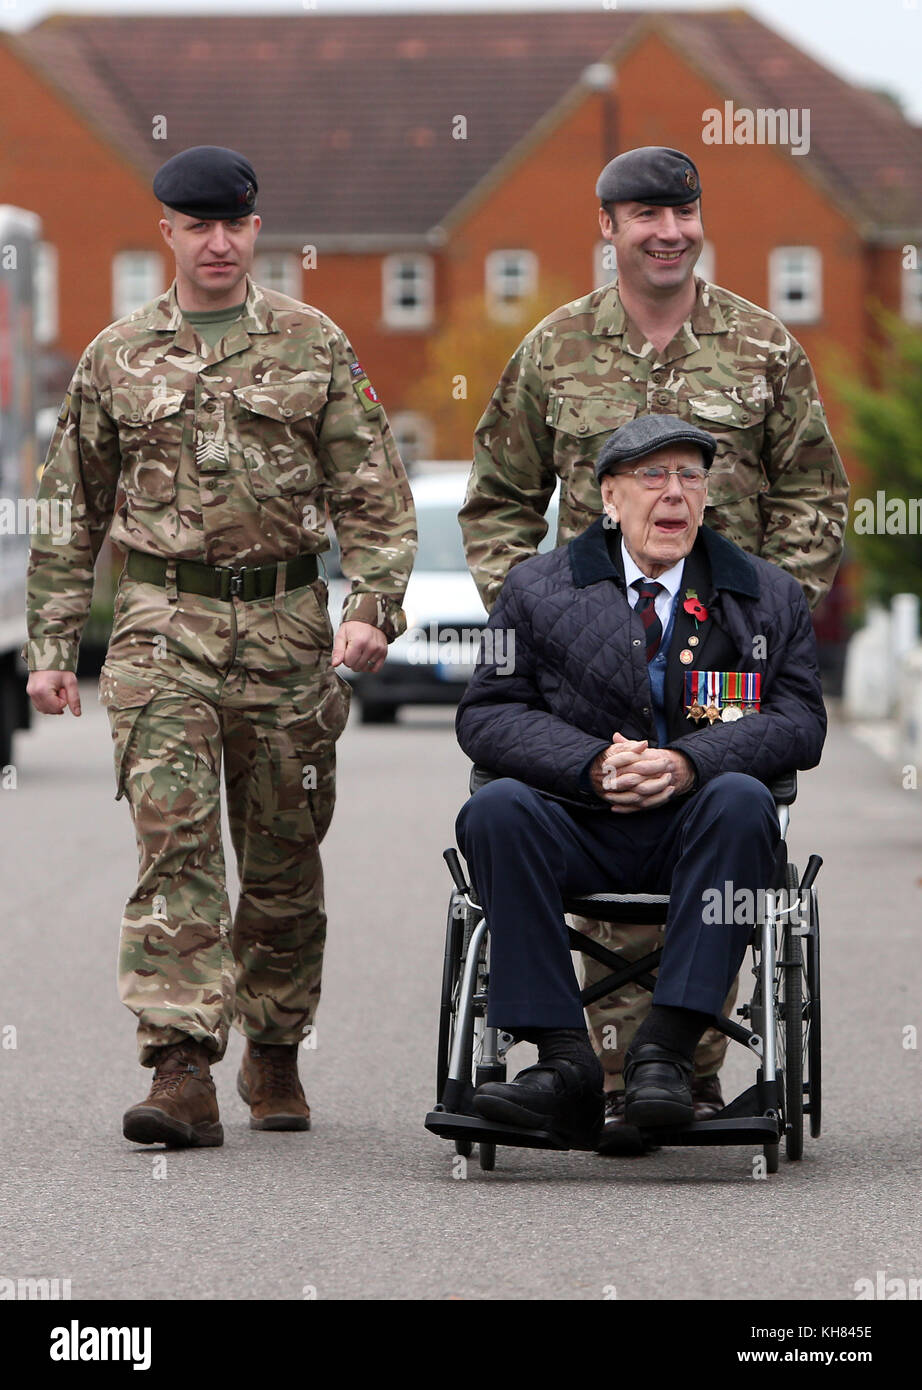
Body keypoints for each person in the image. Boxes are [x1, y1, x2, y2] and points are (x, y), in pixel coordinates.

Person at [23, 146, 417, 1147]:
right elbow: (73, 507)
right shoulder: (115, 355)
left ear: (254, 230)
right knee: (176, 847)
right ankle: (180, 1064)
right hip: (160, 629)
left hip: (286, 629)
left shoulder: (313, 344)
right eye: (195, 225)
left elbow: (371, 489)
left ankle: (275, 1044)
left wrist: (373, 602)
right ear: (167, 232)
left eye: (232, 225)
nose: (216, 241)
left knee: (283, 859)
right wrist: (53, 642)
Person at [459, 145, 847, 1149]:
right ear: (608, 226)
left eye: (683, 210)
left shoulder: (762, 347)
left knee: (725, 805)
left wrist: (763, 621)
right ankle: (578, 1068)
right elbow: (498, 498)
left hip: (726, 667)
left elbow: (814, 492)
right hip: (582, 668)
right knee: (513, 805)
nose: (667, 230)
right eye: (644, 214)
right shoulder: (551, 350)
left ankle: (674, 1067)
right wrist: (539, 620)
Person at [454, 413, 826, 1147]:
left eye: (690, 476)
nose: (675, 494)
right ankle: (563, 1063)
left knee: (744, 799)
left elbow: (800, 720)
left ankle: (664, 1052)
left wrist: (690, 762)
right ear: (609, 497)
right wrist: (591, 765)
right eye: (653, 477)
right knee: (495, 809)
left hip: (699, 830)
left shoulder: (767, 597)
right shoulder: (532, 589)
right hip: (577, 823)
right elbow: (487, 714)